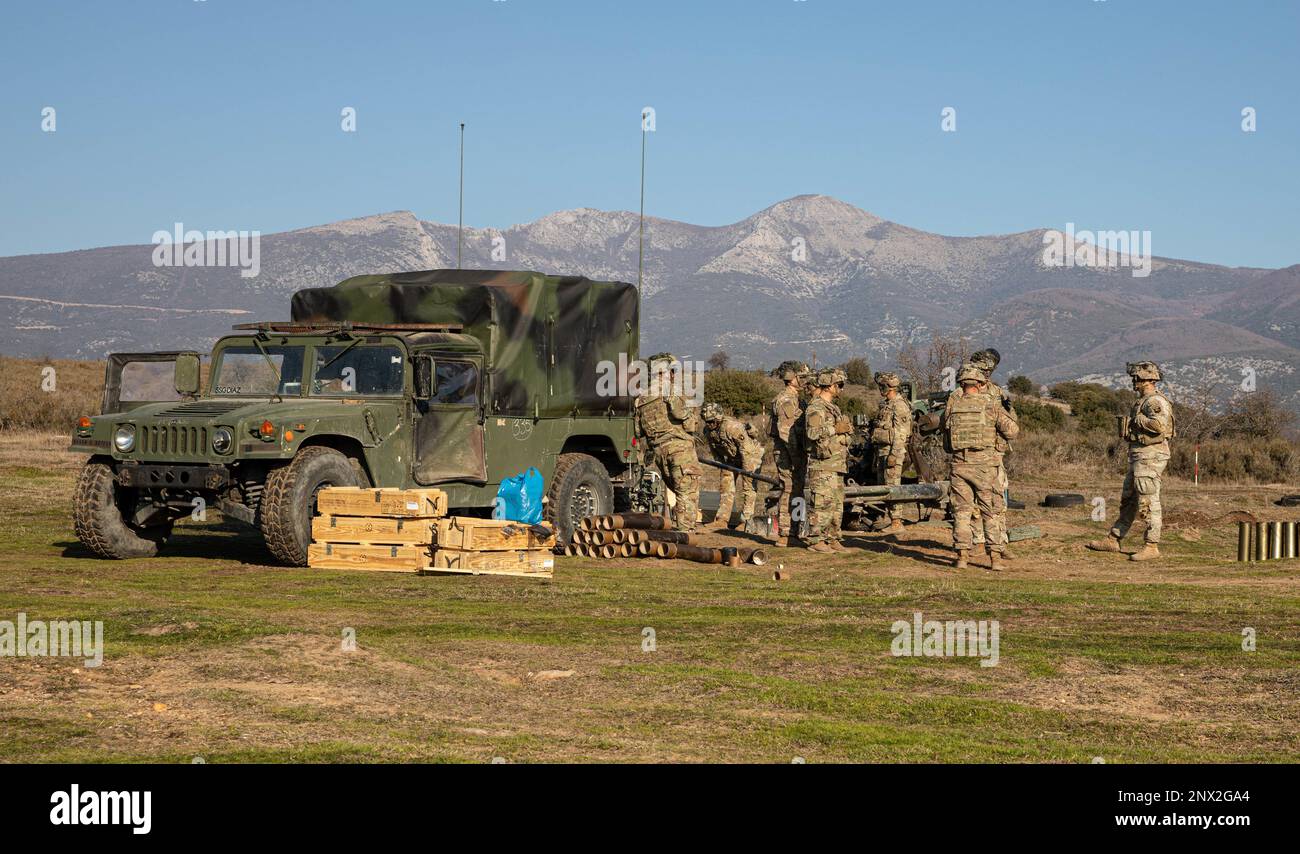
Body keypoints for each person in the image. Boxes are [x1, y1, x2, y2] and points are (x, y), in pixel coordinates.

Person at [1087, 361, 1175, 561]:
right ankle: (1114, 538)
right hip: (1139, 455)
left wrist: (1137, 421)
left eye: (1137, 378)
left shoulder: (1154, 402)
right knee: (1129, 499)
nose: (1134, 381)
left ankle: (1152, 545)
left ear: (1148, 379)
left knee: (1148, 501)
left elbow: (1159, 426)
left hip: (1150, 456)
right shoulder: (1142, 401)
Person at [944, 364, 1019, 570]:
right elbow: (1012, 431)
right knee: (990, 512)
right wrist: (1008, 409)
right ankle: (995, 558)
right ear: (980, 383)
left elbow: (946, 440)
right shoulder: (990, 405)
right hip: (984, 466)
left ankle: (962, 557)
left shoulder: (952, 407)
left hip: (959, 465)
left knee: (961, 512)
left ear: (962, 384)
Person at [634, 353, 701, 531]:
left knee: (677, 490)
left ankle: (684, 530)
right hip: (679, 449)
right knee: (686, 492)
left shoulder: (642, 398)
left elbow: (638, 431)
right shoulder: (673, 391)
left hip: (658, 452)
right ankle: (685, 534)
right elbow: (687, 423)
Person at [802, 369, 852, 553]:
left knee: (836, 504)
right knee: (821, 503)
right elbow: (812, 433)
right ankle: (816, 539)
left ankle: (832, 537)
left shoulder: (833, 408)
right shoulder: (815, 407)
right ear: (829, 386)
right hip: (822, 464)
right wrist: (835, 429)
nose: (841, 389)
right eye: (839, 385)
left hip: (837, 463)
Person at [702, 402, 764, 530]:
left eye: (712, 421)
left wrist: (747, 471)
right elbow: (715, 451)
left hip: (750, 455)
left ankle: (746, 522)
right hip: (732, 456)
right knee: (726, 485)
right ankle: (722, 520)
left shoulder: (732, 427)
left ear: (718, 418)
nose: (709, 424)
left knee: (748, 486)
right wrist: (722, 466)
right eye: (707, 421)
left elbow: (746, 450)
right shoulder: (708, 431)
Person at [769, 361, 807, 546]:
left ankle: (795, 531)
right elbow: (786, 433)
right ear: (792, 379)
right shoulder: (786, 400)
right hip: (788, 453)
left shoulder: (797, 399)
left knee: (797, 491)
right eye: (802, 377)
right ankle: (787, 532)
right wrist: (797, 457)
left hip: (793, 452)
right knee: (790, 489)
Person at [870, 371, 913, 534]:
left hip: (892, 452)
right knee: (884, 486)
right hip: (882, 451)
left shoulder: (899, 405)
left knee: (893, 485)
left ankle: (896, 522)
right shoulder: (886, 405)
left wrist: (894, 456)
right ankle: (890, 518)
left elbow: (901, 434)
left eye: (881, 385)